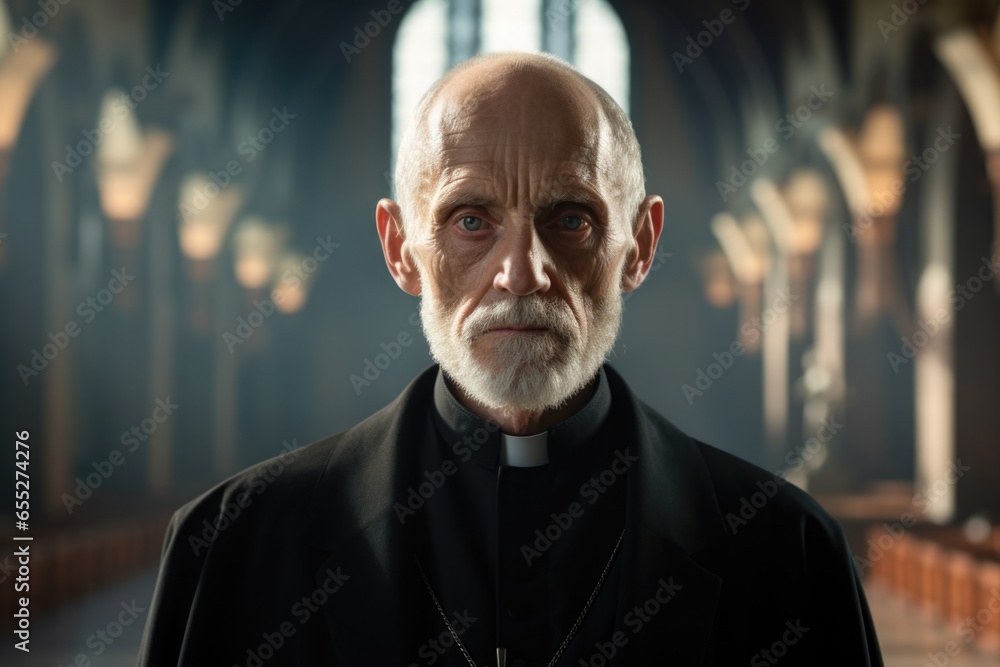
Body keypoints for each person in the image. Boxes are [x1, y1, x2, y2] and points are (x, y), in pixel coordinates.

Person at [137, 52, 883, 667]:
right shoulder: (233, 549)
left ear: (641, 246)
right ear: (401, 250)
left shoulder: (788, 556)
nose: (521, 272)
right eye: (471, 220)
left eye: (570, 218)